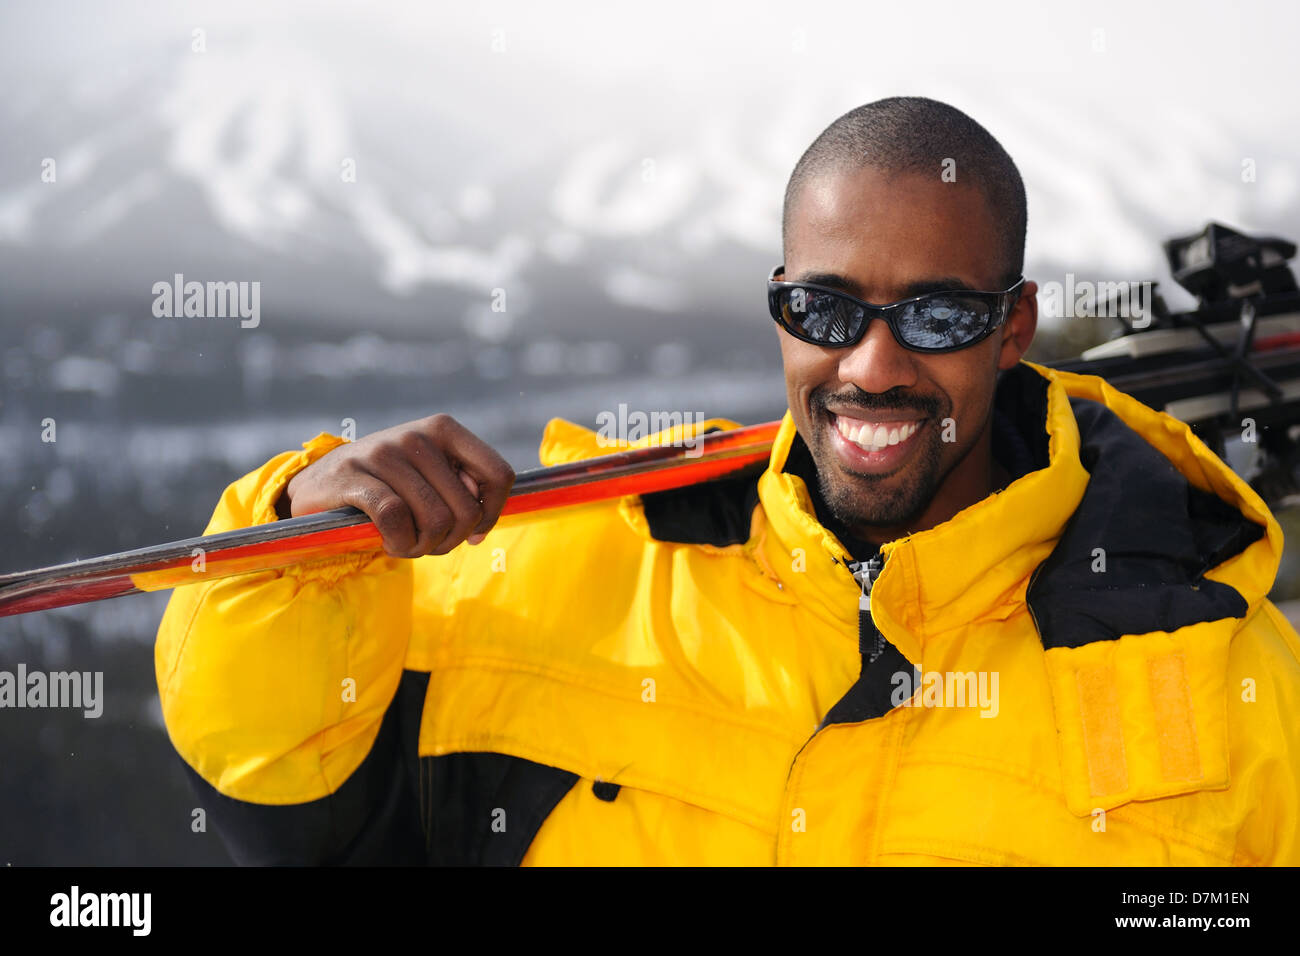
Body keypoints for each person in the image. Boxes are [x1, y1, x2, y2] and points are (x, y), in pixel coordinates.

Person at [155, 96, 1300, 865]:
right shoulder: (571, 568)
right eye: (825, 309)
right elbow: (272, 780)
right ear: (778, 305)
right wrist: (298, 541)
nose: (871, 366)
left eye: (938, 315)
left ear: (1014, 328)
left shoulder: (1221, 670)